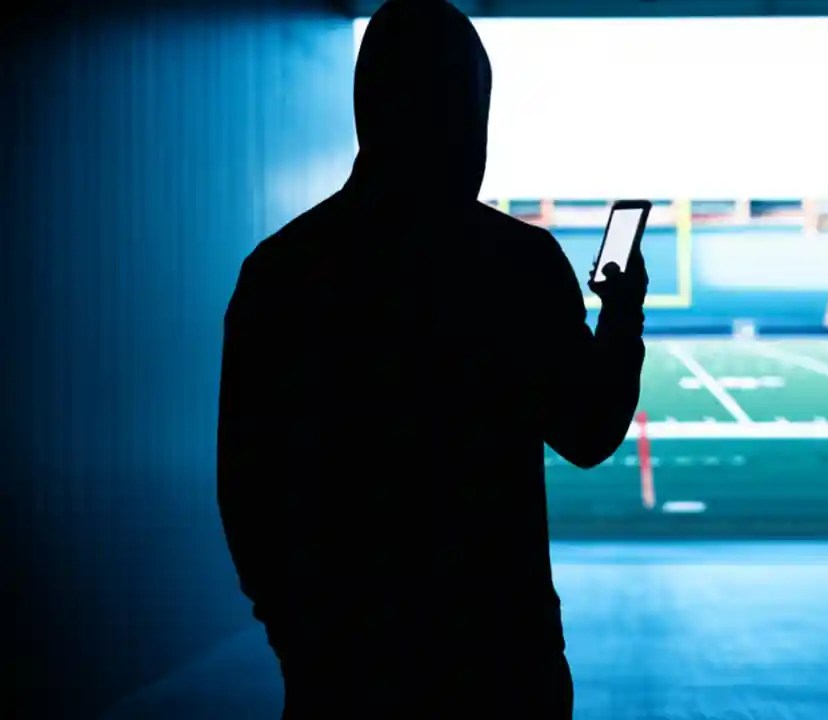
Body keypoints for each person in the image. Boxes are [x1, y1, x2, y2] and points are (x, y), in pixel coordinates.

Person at [215, 1, 647, 716]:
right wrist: (621, 314)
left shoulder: (280, 271)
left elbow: (246, 487)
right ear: (470, 114)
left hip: (343, 671)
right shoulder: (517, 264)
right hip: (503, 666)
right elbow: (589, 430)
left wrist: (301, 637)